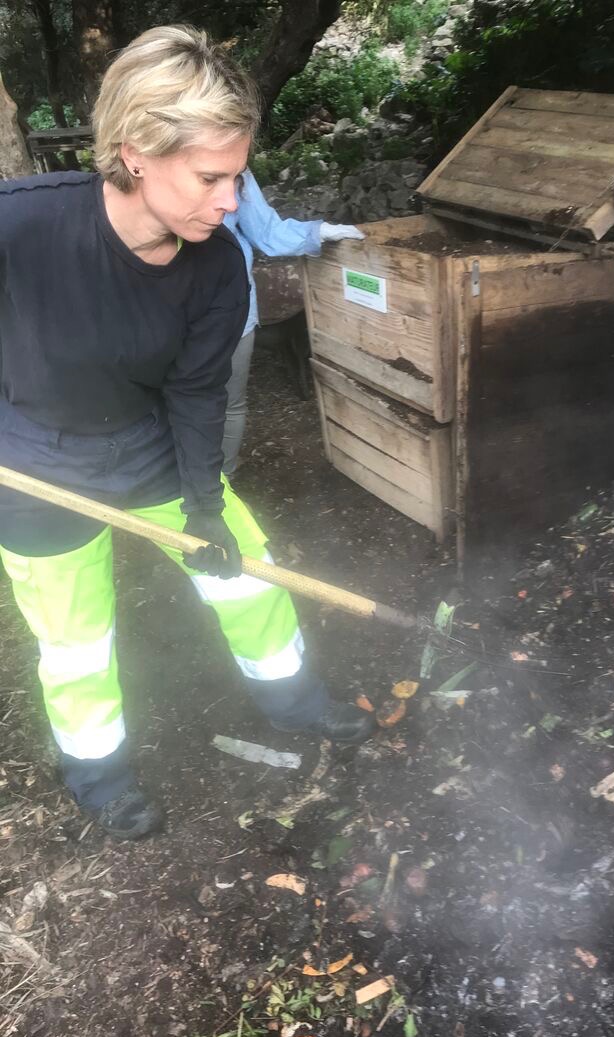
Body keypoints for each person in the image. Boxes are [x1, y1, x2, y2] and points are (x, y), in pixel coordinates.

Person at [0, 25, 375, 842]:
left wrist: (203, 507)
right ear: (135, 153)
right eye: (211, 178)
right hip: (31, 464)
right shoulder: (23, 227)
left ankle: (295, 699)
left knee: (248, 573)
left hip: (149, 451)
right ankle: (97, 773)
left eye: (237, 177)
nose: (231, 202)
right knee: (74, 639)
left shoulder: (211, 267)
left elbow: (199, 396)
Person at [221, 170, 363, 475]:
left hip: (233, 313)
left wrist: (320, 232)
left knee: (229, 403)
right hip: (173, 314)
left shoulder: (237, 170)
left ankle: (223, 479)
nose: (225, 201)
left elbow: (265, 231)